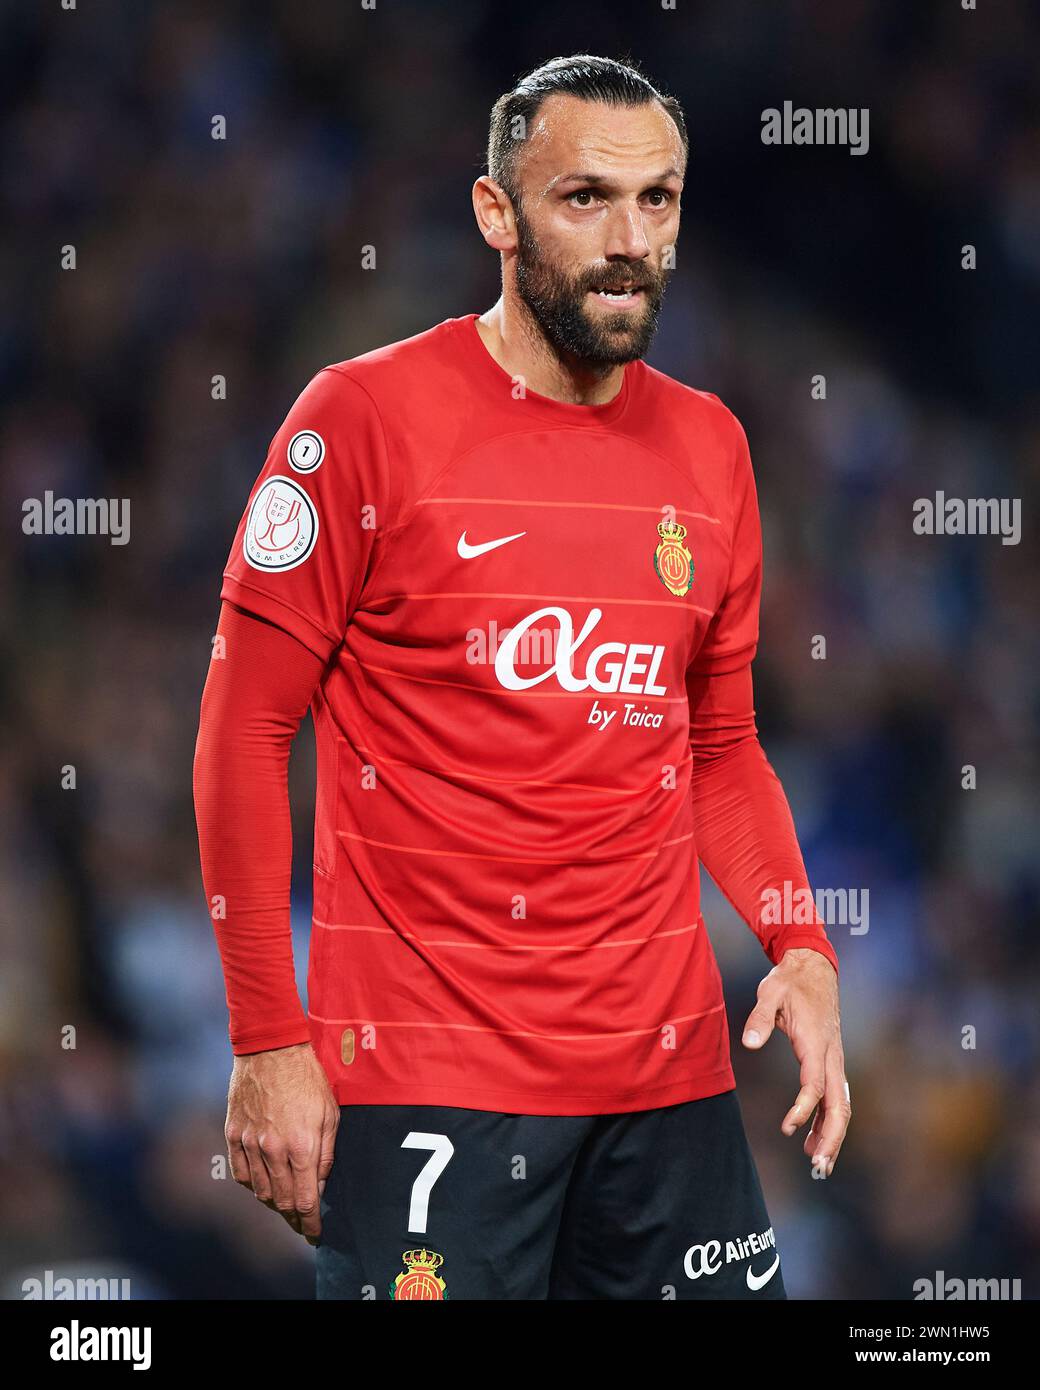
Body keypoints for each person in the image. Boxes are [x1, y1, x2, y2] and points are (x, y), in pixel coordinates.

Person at [193, 53, 850, 1301]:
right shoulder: (360, 422)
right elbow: (243, 730)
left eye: (656, 200)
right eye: (584, 198)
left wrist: (800, 944)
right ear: (495, 213)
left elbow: (717, 749)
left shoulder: (711, 447)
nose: (628, 242)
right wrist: (267, 1036)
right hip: (430, 1080)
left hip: (662, 1079)